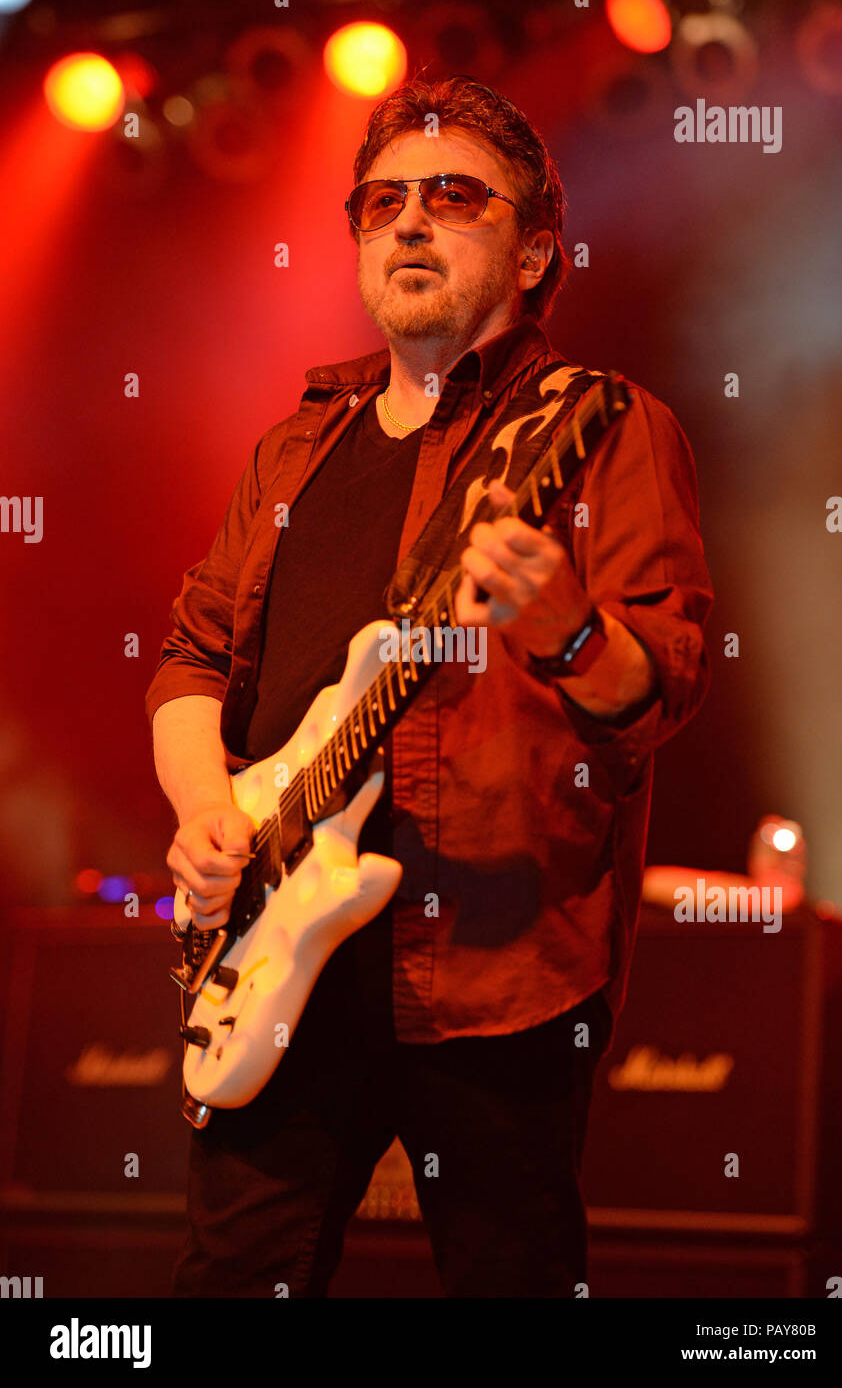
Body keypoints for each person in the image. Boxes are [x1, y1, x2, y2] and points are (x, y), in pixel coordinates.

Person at [145, 75, 713, 1298]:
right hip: (273, 959)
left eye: (454, 197)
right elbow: (191, 658)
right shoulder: (300, 441)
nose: (409, 222)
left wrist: (563, 627)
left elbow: (658, 686)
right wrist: (207, 812)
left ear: (533, 253)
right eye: (382, 200)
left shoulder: (600, 426)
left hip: (493, 978)